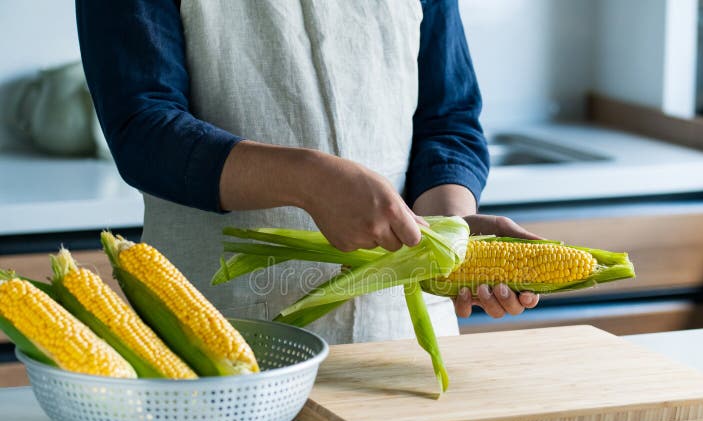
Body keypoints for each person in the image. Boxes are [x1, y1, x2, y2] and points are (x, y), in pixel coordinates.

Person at [76, 0, 540, 345]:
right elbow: (144, 129)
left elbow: (448, 116)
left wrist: (448, 229)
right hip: (220, 334)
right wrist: (310, 180)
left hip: (398, 340)